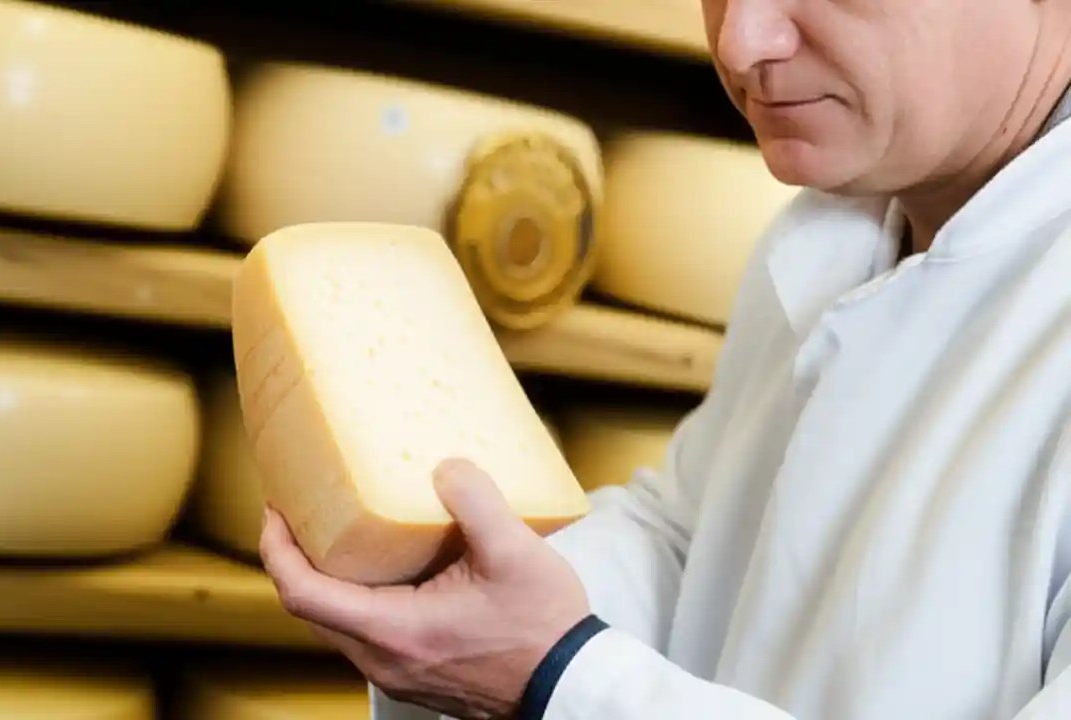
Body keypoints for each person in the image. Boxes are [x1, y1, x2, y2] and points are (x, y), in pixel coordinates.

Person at [257, 0, 1071, 717]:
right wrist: (457, 582)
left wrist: (558, 679)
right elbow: (696, 541)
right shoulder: (843, 222)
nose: (743, 41)